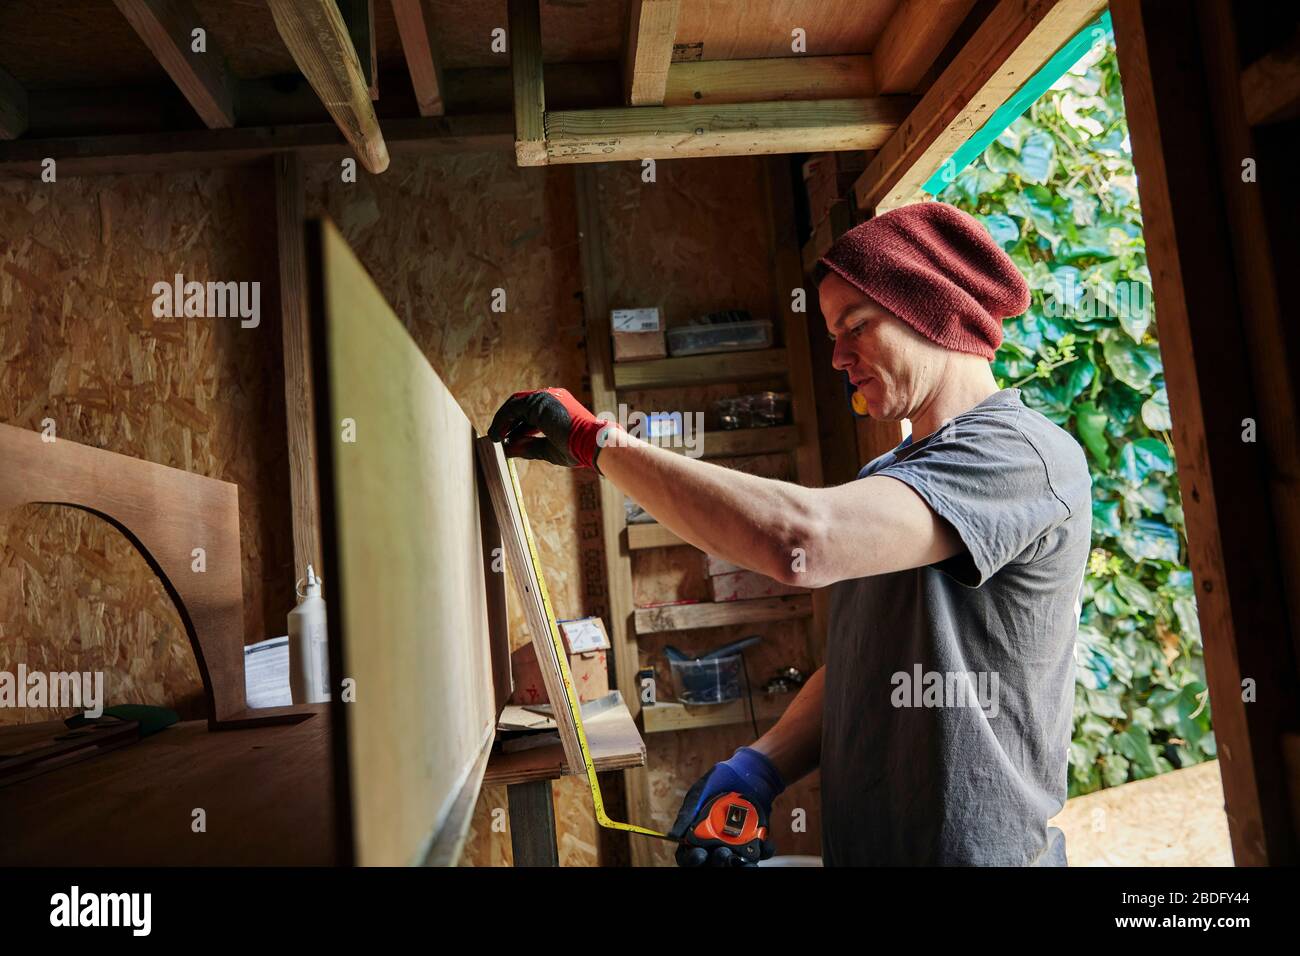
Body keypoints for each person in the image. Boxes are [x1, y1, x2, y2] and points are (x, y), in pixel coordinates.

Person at [488, 201, 1091, 866]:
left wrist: (600, 444)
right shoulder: (889, 474)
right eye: (834, 333)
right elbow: (868, 664)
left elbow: (802, 543)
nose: (837, 357)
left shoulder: (1024, 456)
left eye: (856, 325)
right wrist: (758, 766)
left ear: (935, 312)